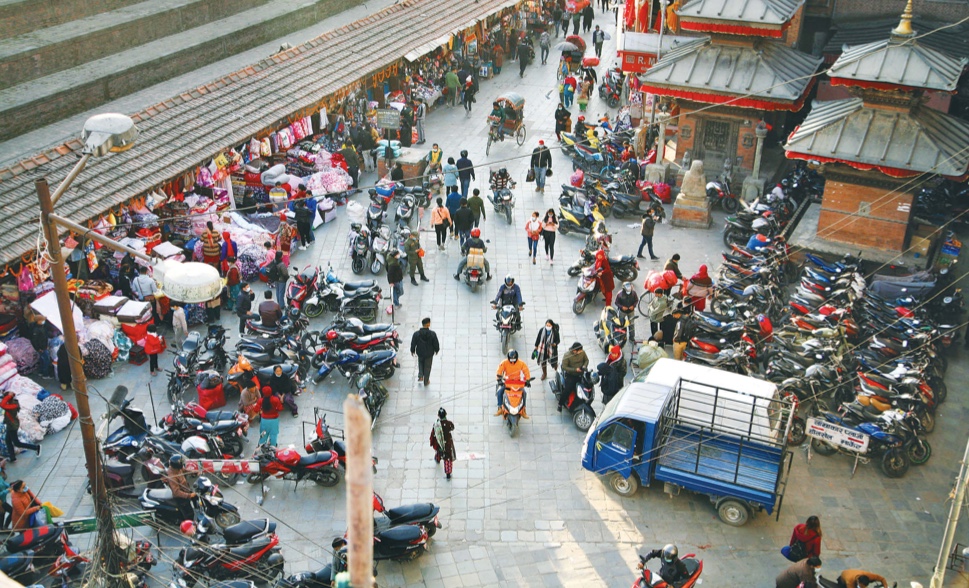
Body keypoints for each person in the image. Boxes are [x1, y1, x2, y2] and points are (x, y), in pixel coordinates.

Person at [1, 392, 41, 462]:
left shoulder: (12, 406)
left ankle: (36, 447)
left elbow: (2, 404)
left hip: (12, 426)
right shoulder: (12, 403)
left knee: (17, 443)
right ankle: (12, 457)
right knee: (8, 440)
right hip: (10, 424)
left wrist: (8, 396)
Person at [495, 350, 531, 417]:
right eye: (511, 360)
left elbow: (526, 371)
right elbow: (499, 371)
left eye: (514, 360)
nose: (512, 361)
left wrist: (528, 380)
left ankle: (524, 410)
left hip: (518, 383)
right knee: (499, 392)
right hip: (507, 382)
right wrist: (499, 379)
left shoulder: (521, 363)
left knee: (524, 393)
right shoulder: (504, 362)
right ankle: (500, 407)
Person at [164, 455, 196, 524]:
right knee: (189, 514)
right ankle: (189, 525)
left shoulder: (177, 469)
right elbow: (176, 492)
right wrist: (189, 495)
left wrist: (193, 472)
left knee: (195, 498)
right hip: (181, 498)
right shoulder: (172, 477)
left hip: (186, 489)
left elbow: (184, 470)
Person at [558, 342, 589, 410]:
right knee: (568, 389)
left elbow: (586, 360)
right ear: (574, 350)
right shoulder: (567, 355)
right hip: (571, 375)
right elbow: (564, 367)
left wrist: (584, 366)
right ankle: (560, 404)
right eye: (579, 351)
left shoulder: (582, 352)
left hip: (581, 374)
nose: (581, 352)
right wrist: (575, 369)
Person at [410, 318, 440, 386]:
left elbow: (413, 343)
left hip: (420, 352)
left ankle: (420, 376)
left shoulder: (416, 334)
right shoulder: (432, 334)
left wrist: (412, 350)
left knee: (420, 363)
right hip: (429, 354)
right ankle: (426, 381)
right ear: (428, 324)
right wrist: (437, 350)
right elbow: (436, 343)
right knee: (427, 367)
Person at [429, 408, 456, 480]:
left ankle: (437, 459)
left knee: (439, 451)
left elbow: (433, 433)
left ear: (438, 415)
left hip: (439, 443)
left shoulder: (436, 424)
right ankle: (448, 473)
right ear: (446, 414)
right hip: (447, 444)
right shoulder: (449, 424)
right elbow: (452, 427)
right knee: (447, 458)